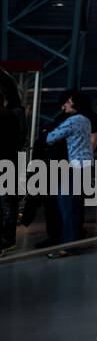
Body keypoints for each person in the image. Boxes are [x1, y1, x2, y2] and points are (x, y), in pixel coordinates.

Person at [44, 91, 95, 258]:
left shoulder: (74, 120)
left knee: (67, 207)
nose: (65, 105)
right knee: (76, 207)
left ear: (76, 105)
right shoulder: (86, 120)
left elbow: (51, 137)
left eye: (69, 102)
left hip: (75, 167)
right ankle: (74, 241)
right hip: (86, 165)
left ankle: (68, 246)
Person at [0, 79, 22, 254]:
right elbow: (19, 141)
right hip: (10, 164)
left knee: (7, 203)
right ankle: (8, 239)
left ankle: (6, 239)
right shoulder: (13, 117)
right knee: (8, 203)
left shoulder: (7, 117)